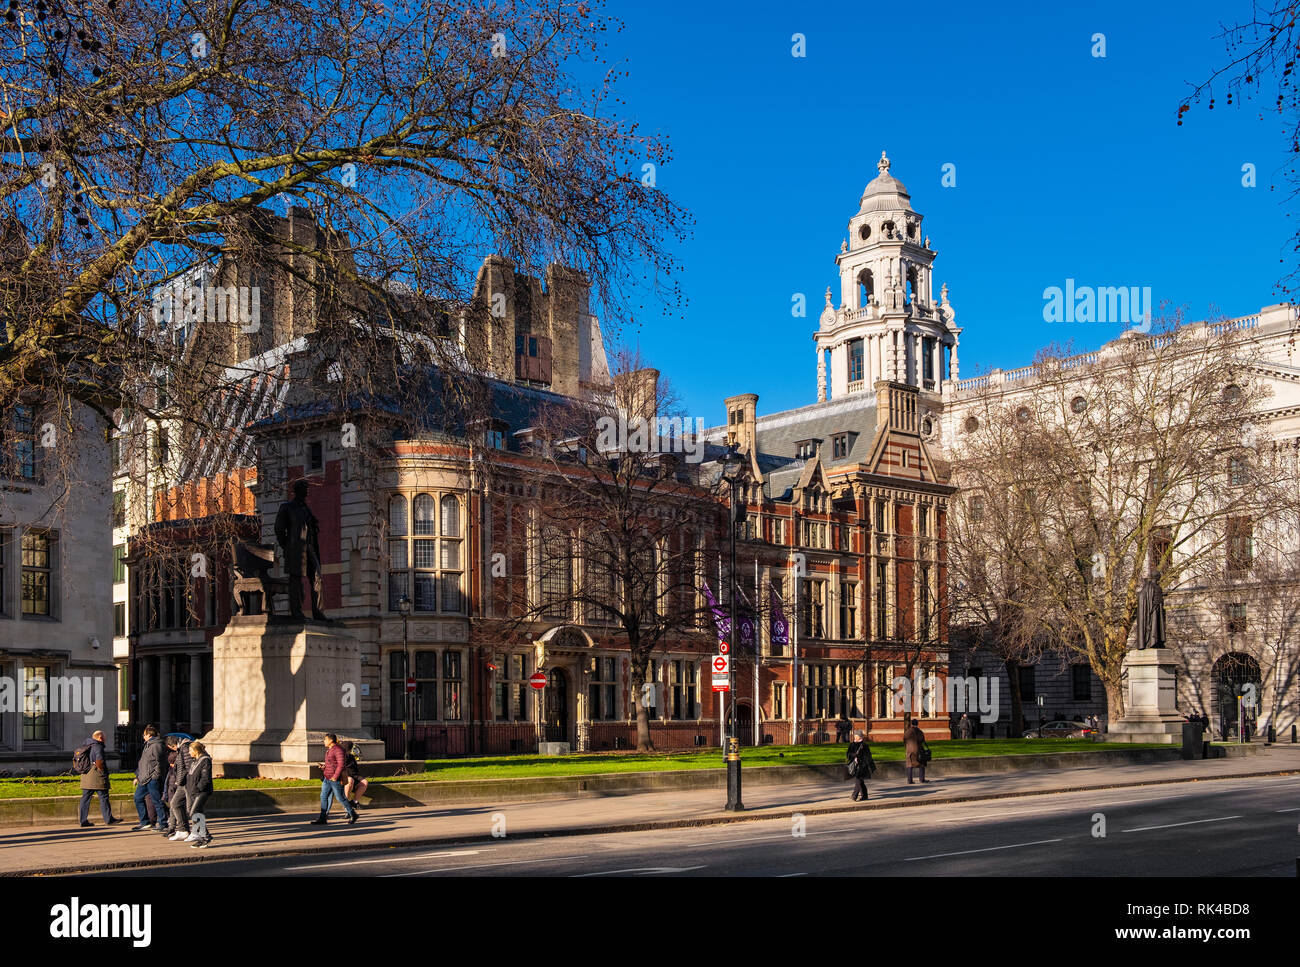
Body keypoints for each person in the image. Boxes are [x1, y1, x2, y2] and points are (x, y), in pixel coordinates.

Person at [275, 478, 327, 620]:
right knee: (295, 580)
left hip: (310, 549)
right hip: (295, 549)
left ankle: (318, 612)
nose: (307, 491)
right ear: (298, 490)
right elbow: (279, 530)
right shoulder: (287, 507)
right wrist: (287, 546)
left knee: (317, 577)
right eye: (305, 488)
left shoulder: (305, 508)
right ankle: (296, 611)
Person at [311, 733, 358, 825]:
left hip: (334, 779)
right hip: (327, 778)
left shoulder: (338, 750)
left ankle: (353, 814)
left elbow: (341, 764)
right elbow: (333, 764)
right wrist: (324, 767)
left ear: (330, 740)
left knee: (341, 798)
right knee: (323, 796)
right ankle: (323, 818)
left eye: (325, 740)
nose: (324, 741)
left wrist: (335, 776)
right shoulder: (330, 750)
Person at [77, 730, 121, 828]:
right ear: (100, 738)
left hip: (86, 775)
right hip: (97, 775)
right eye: (104, 737)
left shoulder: (86, 745)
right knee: (104, 797)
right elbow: (99, 761)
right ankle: (108, 819)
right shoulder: (98, 746)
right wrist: (103, 771)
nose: (105, 739)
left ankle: (83, 820)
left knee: (85, 798)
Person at [131, 725, 168, 831]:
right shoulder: (147, 745)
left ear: (149, 735)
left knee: (157, 801)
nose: (143, 736)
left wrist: (155, 776)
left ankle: (163, 823)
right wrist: (137, 776)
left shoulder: (156, 745)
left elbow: (160, 763)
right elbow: (143, 763)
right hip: (144, 778)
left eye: (144, 734)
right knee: (137, 798)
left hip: (152, 779)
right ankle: (145, 822)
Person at [162, 734, 193, 841]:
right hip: (182, 782)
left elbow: (187, 767)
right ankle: (182, 830)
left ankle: (200, 833)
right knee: (175, 804)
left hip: (187, 782)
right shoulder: (182, 748)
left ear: (173, 745)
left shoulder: (185, 747)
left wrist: (179, 781)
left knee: (192, 808)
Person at [184, 740, 214, 848]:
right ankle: (202, 838)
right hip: (193, 791)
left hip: (202, 792)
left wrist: (197, 789)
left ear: (196, 751)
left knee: (194, 813)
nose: (189, 753)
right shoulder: (194, 761)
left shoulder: (205, 761)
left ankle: (205, 836)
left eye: (190, 750)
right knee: (198, 814)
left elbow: (205, 779)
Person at [846, 731, 875, 802]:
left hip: (862, 765)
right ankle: (865, 795)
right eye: (855, 735)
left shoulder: (864, 745)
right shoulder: (852, 744)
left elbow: (868, 756)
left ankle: (854, 795)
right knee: (860, 780)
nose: (855, 737)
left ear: (860, 737)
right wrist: (853, 756)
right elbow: (848, 754)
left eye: (856, 736)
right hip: (854, 765)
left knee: (858, 779)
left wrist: (869, 765)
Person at [340, 740, 368, 810]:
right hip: (343, 777)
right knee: (350, 780)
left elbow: (355, 769)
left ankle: (354, 801)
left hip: (353, 775)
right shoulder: (340, 756)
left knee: (364, 782)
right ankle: (346, 804)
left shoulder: (351, 757)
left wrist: (358, 777)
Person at [904, 719, 929, 784]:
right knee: (921, 764)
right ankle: (922, 779)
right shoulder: (920, 732)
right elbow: (922, 740)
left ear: (911, 724)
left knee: (909, 765)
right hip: (918, 750)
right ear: (917, 724)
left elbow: (904, 740)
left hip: (909, 750)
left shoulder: (907, 732)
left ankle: (909, 780)